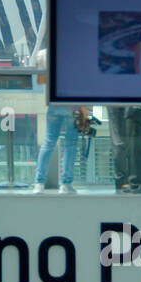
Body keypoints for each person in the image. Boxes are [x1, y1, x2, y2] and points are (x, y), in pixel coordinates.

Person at [30, 46, 88, 194]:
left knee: (48, 143)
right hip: (72, 104)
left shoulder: (43, 54)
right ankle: (65, 184)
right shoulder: (75, 53)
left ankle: (39, 182)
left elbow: (39, 80)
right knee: (70, 145)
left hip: (53, 103)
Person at [109, 106, 141, 194]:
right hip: (135, 99)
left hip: (113, 99)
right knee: (135, 138)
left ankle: (123, 183)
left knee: (118, 140)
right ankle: (138, 183)